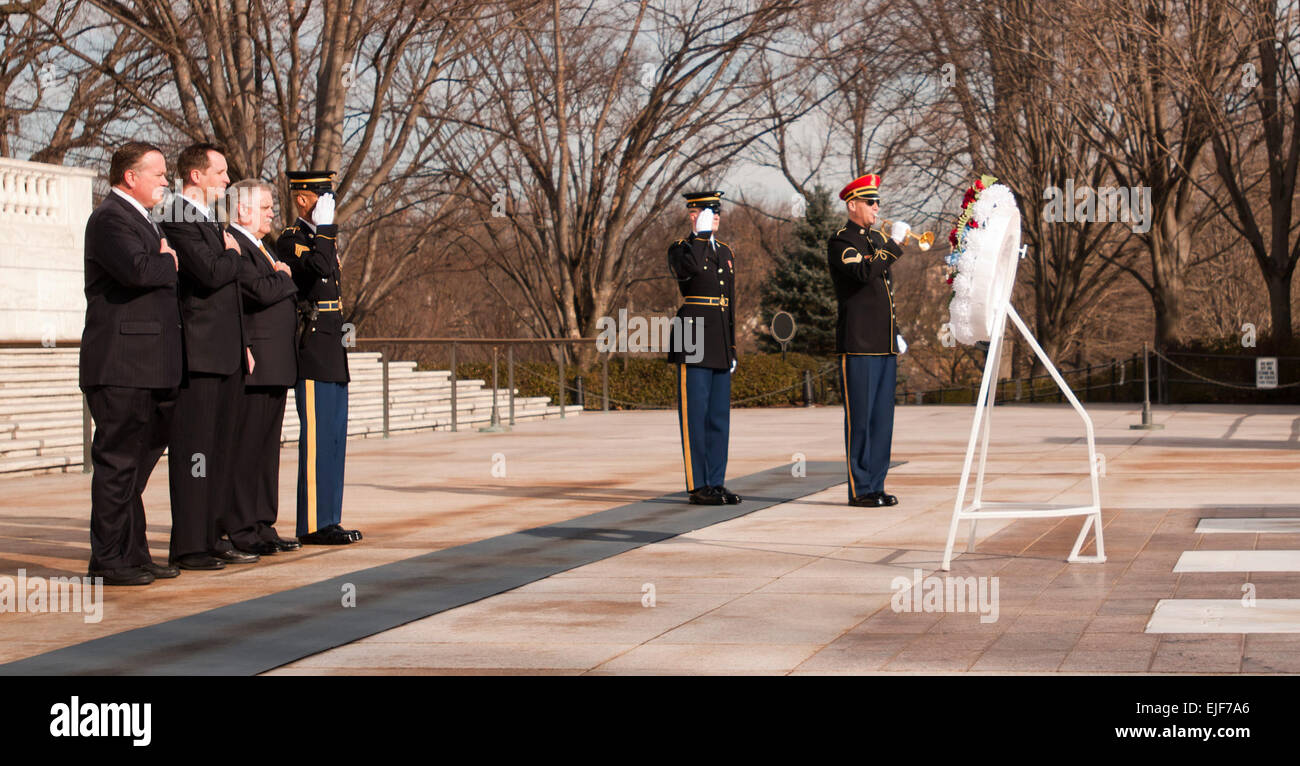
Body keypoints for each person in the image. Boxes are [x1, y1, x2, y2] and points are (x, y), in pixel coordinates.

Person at [80, 141, 183, 586]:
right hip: (120, 367)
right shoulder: (108, 219)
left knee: (135, 466)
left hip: (150, 367)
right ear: (130, 177)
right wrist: (167, 259)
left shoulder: (142, 219)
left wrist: (163, 257)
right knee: (118, 464)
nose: (166, 181)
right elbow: (139, 271)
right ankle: (107, 560)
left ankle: (133, 553)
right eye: (158, 173)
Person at [160, 143, 259, 570]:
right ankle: (189, 545)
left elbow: (225, 284)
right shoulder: (175, 215)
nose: (225, 179)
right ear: (196, 175)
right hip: (199, 355)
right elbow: (211, 273)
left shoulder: (210, 221)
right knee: (195, 454)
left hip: (226, 353)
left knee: (221, 451)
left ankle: (213, 537)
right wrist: (233, 254)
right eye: (218, 172)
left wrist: (243, 346)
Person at [277, 171, 361, 544]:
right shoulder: (292, 240)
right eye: (321, 197)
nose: (329, 205)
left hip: (333, 348)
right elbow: (318, 270)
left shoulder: (320, 238)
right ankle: (311, 523)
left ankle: (329, 518)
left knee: (333, 439)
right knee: (315, 441)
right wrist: (325, 231)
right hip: (311, 348)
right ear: (302, 200)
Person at [226, 179, 303, 555]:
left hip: (275, 364)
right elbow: (260, 291)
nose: (273, 212)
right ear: (242, 211)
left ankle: (262, 524)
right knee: (248, 450)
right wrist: (284, 277)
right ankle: (240, 527)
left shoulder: (262, 247)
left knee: (267, 451)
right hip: (255, 363)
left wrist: (280, 279)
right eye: (266, 206)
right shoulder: (235, 245)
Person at [826, 173, 910, 507]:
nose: (877, 208)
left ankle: (876, 483)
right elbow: (862, 273)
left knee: (881, 421)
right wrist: (894, 246)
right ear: (853, 205)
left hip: (884, 343)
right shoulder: (841, 241)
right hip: (858, 343)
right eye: (870, 202)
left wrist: (897, 333)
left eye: (877, 202)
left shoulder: (875, 240)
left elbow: (883, 295)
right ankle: (861, 488)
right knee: (860, 420)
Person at [666, 190, 741, 506]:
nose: (716, 219)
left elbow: (730, 302)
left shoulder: (725, 252)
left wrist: (733, 345)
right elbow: (691, 271)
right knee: (695, 415)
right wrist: (700, 236)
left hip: (719, 339)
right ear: (693, 215)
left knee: (718, 417)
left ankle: (716, 480)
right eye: (709, 213)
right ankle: (698, 484)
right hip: (692, 333)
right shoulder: (682, 249)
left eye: (718, 213)